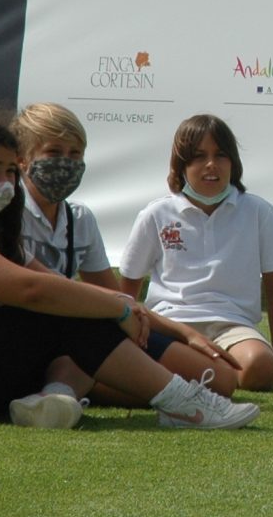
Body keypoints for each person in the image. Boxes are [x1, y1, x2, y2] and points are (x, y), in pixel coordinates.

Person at [0, 113, 257, 430]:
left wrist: (169, 327)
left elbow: (58, 285)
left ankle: (59, 395)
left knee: (72, 304)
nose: (4, 182)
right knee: (58, 309)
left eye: (8, 171)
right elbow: (34, 291)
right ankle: (182, 403)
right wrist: (119, 308)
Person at [13, 103, 233, 399]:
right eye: (53, 152)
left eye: (75, 154)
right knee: (125, 364)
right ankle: (73, 390)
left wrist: (185, 333)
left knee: (220, 380)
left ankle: (72, 390)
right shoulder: (8, 214)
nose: (66, 162)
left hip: (81, 332)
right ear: (22, 159)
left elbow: (117, 299)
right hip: (31, 331)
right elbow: (45, 290)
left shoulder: (80, 219)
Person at [119, 114, 273, 395]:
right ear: (181, 166)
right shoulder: (156, 214)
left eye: (220, 155)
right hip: (170, 324)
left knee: (260, 367)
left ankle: (198, 370)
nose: (211, 164)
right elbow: (128, 288)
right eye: (199, 156)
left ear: (233, 163)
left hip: (233, 327)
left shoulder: (259, 212)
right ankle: (210, 370)